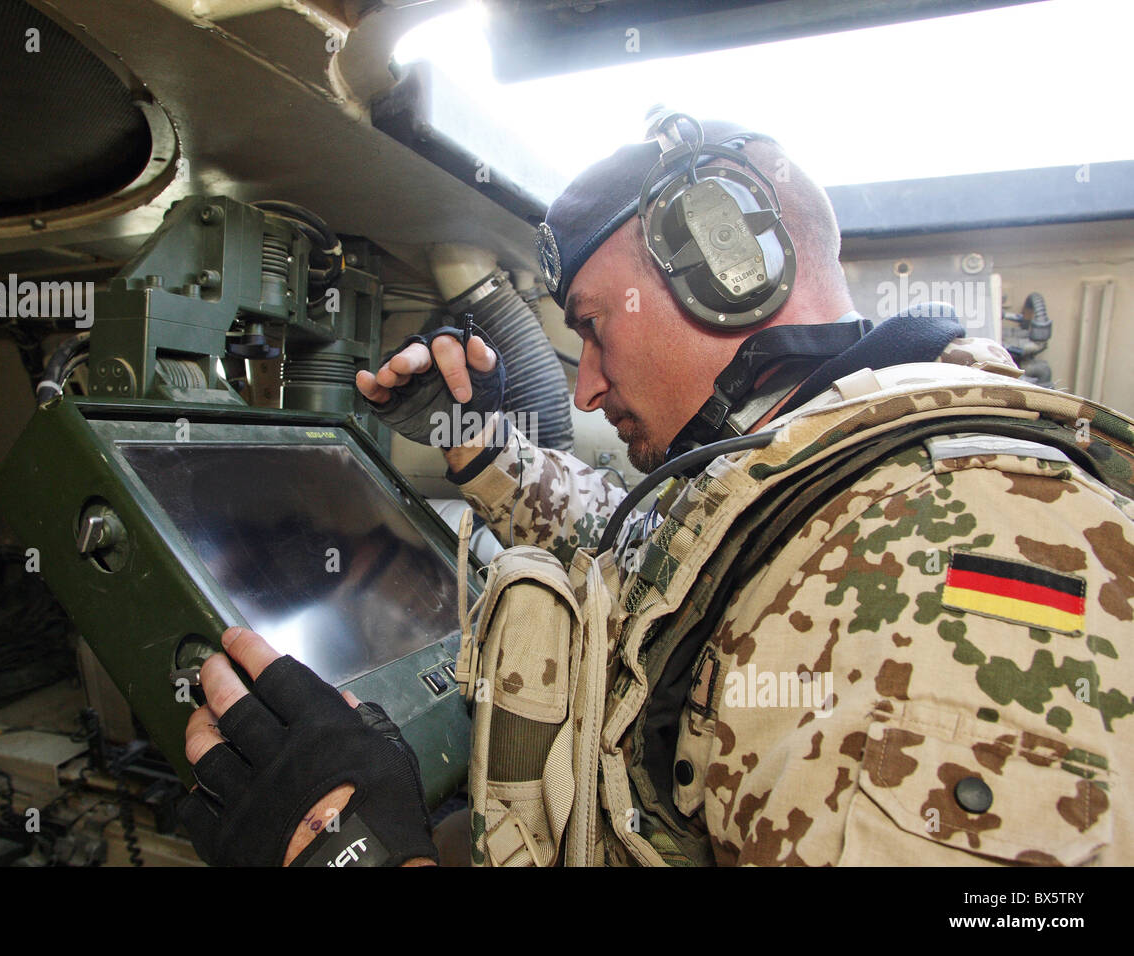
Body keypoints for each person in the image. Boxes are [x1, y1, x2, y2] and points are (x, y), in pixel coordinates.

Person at [180, 117, 1134, 866]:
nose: (586, 383)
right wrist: (478, 444)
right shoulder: (816, 486)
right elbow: (652, 558)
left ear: (726, 264)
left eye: (595, 325)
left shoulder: (965, 550)